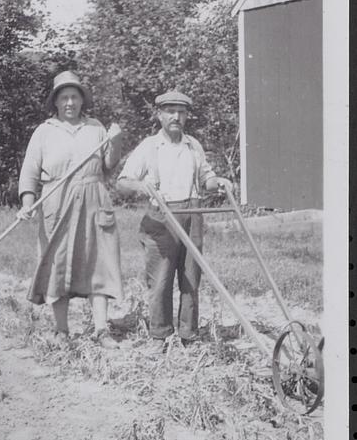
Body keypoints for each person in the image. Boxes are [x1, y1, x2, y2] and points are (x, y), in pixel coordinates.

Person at [116, 90, 231, 349]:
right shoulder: (149, 147)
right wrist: (141, 187)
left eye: (181, 112)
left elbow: (207, 179)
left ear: (187, 116)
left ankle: (189, 335)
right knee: (161, 279)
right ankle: (160, 335)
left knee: (191, 278)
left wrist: (220, 182)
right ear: (159, 115)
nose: (176, 117)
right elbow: (122, 182)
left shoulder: (193, 145)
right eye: (170, 112)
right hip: (160, 217)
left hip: (193, 213)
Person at [17, 71, 123, 349]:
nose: (69, 103)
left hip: (94, 200)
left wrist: (115, 141)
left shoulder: (95, 127)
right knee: (57, 265)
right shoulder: (44, 131)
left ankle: (101, 330)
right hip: (57, 200)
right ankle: (62, 330)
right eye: (64, 97)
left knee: (99, 263)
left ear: (82, 100)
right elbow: (29, 171)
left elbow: (109, 165)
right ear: (55, 101)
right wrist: (27, 203)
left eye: (74, 97)